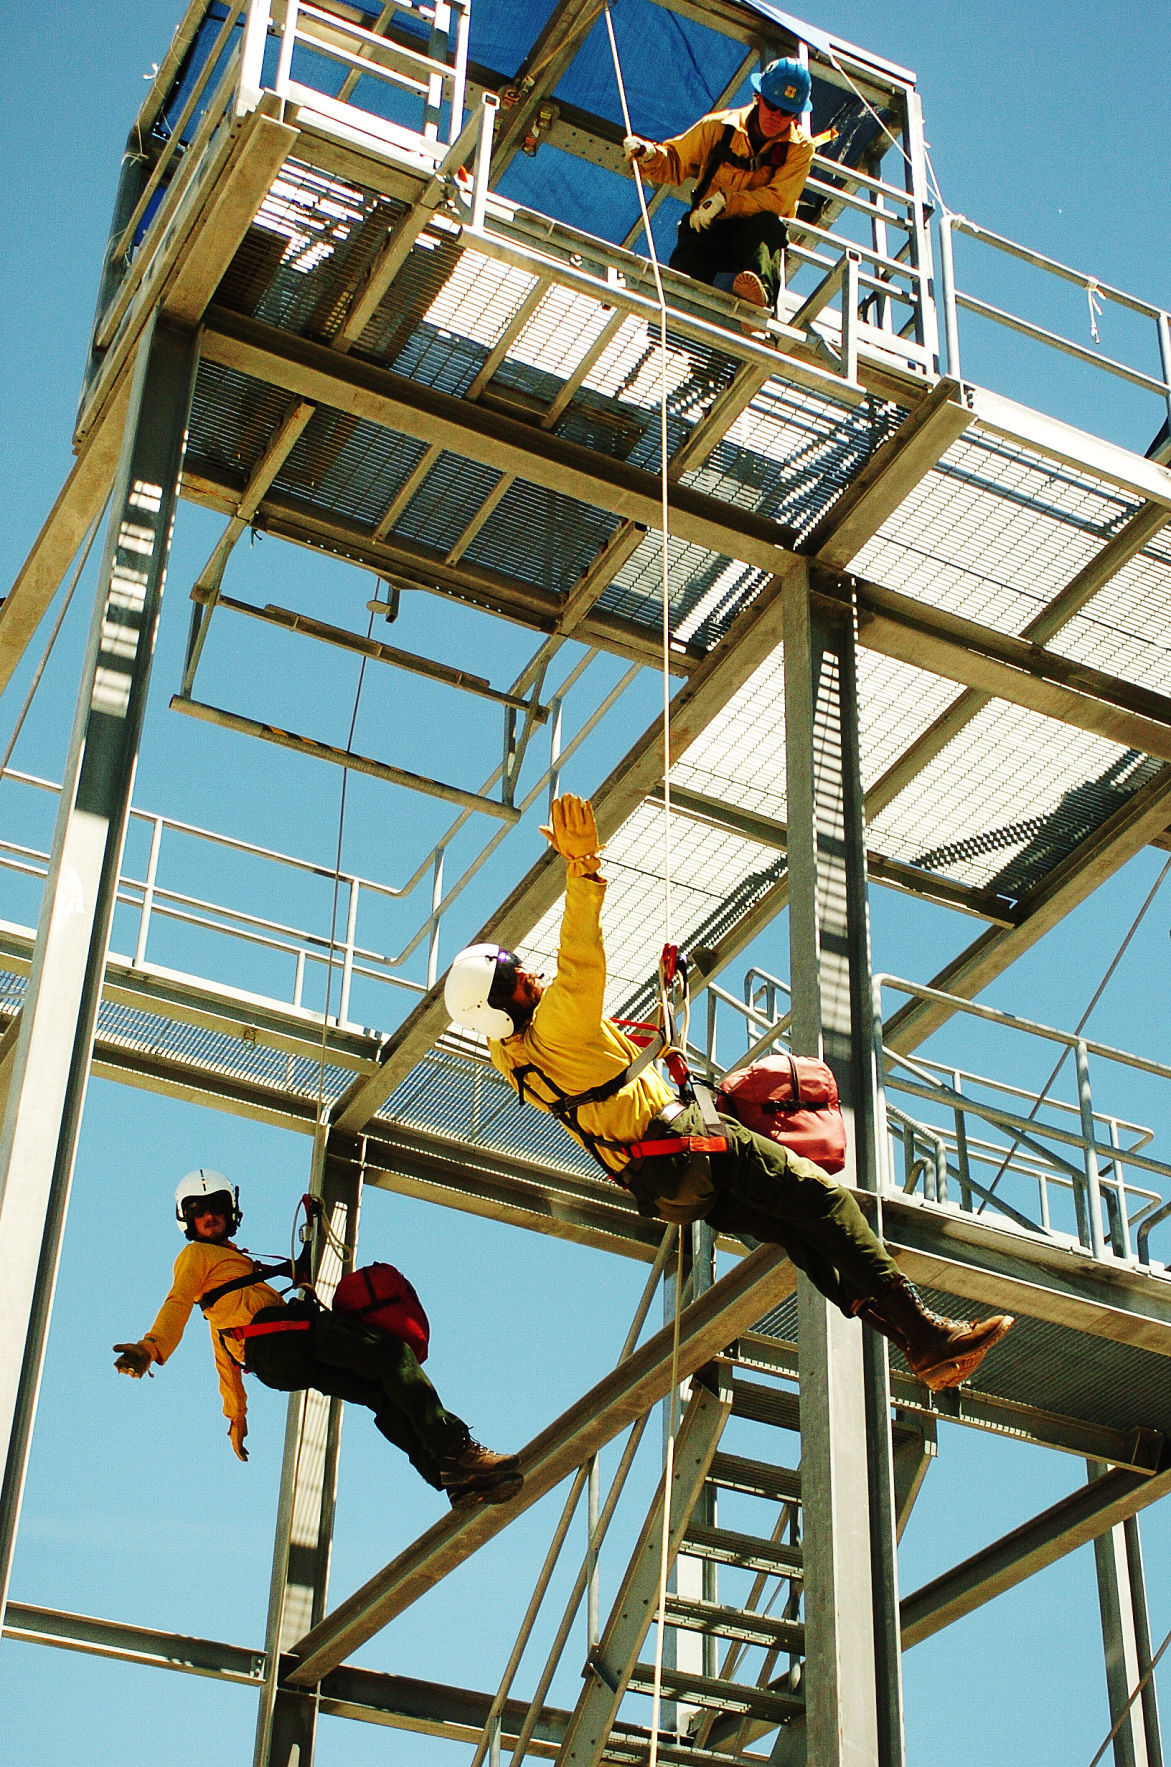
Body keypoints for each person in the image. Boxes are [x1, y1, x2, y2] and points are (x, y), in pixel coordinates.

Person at [444, 796, 1015, 1392]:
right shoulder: (561, 1024)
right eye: (515, 977)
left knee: (802, 1235)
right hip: (692, 1146)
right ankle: (926, 1332)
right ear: (501, 1003)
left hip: (667, 1187)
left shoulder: (513, 1058)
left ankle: (919, 1349)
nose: (529, 974)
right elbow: (579, 961)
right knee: (827, 1202)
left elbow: (554, 1020)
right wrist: (582, 869)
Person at [113, 1170, 523, 1506]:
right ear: (188, 1222)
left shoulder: (229, 1272)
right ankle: (459, 1451)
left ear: (230, 1212)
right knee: (392, 1356)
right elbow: (178, 1301)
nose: (209, 1216)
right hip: (282, 1338)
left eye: (216, 1208)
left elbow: (223, 1349)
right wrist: (151, 1347)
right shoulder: (195, 1259)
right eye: (199, 1211)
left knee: (380, 1393)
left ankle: (449, 1477)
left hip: (276, 1360)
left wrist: (236, 1417)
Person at [622, 56, 816, 311]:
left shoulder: (799, 147)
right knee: (688, 270)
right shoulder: (718, 127)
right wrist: (648, 154)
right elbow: (674, 161)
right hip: (706, 227)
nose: (776, 117)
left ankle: (754, 305)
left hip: (751, 240)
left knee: (768, 226)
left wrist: (726, 202)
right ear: (758, 96)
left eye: (787, 112)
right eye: (772, 104)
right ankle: (677, 321)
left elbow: (779, 199)